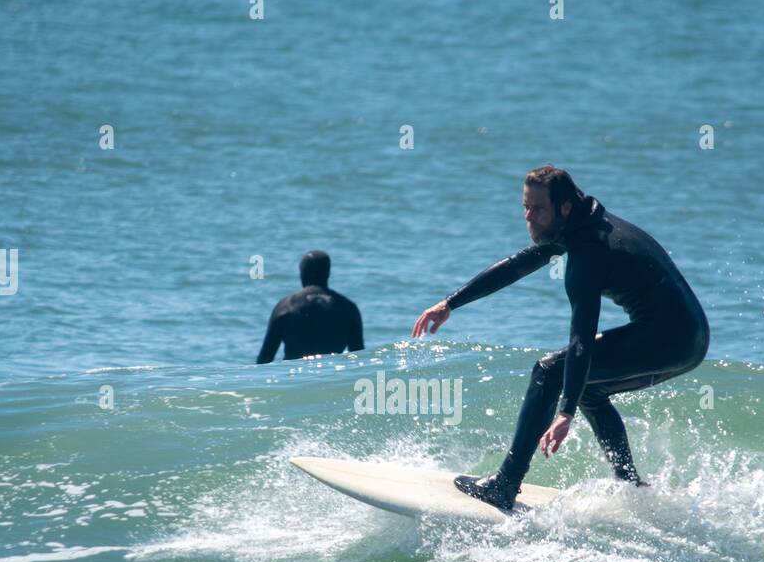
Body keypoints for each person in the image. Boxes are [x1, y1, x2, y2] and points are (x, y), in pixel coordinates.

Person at [411, 166, 709, 511]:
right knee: (588, 384)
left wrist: (565, 411)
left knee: (550, 370)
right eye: (525, 207)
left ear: (564, 207)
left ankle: (505, 485)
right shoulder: (583, 222)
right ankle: (630, 484)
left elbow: (581, 338)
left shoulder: (589, 252)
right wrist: (450, 303)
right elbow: (518, 264)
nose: (528, 217)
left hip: (671, 338)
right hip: (688, 337)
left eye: (537, 209)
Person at [256, 250, 364, 363]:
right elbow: (358, 359)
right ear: (328, 273)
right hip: (332, 376)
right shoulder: (348, 308)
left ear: (302, 273)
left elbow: (265, 358)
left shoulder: (285, 306)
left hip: (296, 378)